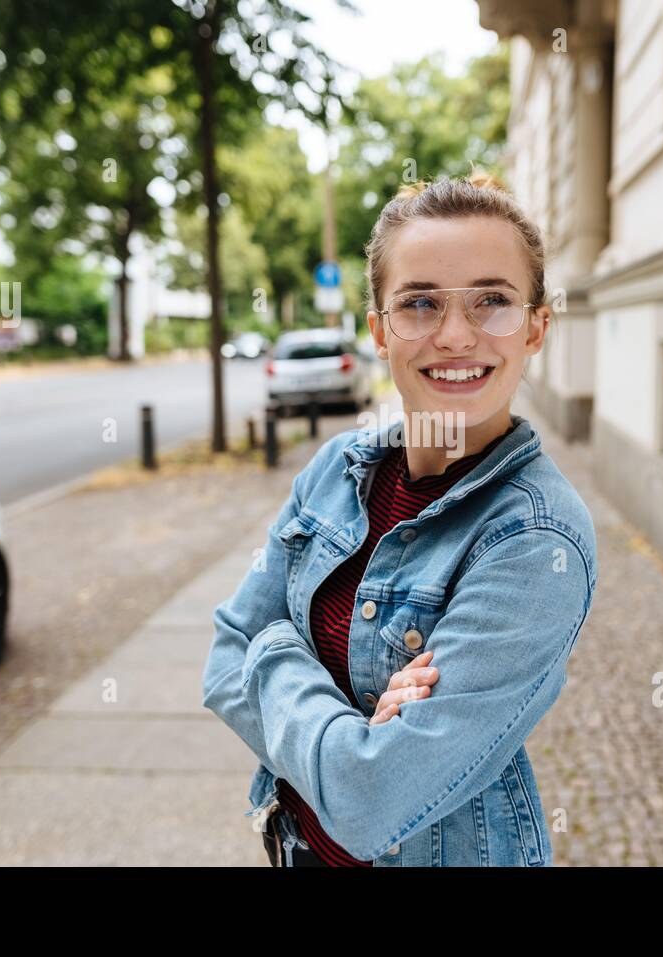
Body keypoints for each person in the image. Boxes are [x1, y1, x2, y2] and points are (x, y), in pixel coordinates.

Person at [201, 170, 598, 867]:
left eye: (492, 301)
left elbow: (371, 801)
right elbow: (221, 654)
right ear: (380, 331)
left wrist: (274, 652)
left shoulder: (537, 537)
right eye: (419, 303)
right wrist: (345, 717)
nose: (454, 335)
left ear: (537, 326)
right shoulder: (336, 469)